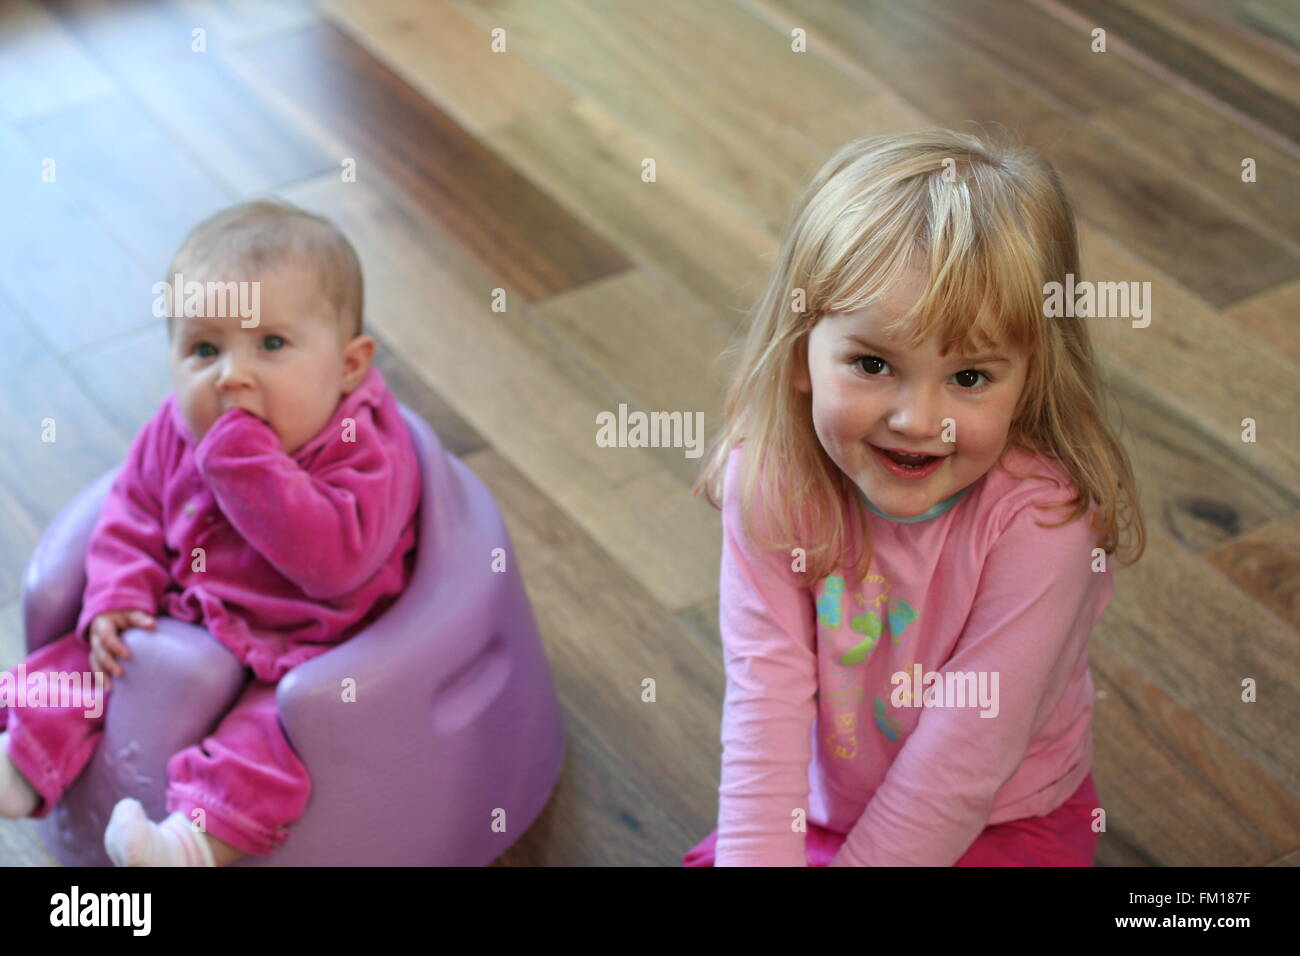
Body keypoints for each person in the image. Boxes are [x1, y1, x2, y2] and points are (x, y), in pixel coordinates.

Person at [685, 128, 1146, 866]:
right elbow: (763, 698)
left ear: (1032, 374)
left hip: (1005, 815)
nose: (916, 420)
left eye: (969, 378)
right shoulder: (771, 478)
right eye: (873, 363)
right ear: (803, 349)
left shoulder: (1044, 525)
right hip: (827, 810)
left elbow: (967, 756)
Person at [0, 200, 421, 866]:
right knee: (82, 664)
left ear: (349, 365)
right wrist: (117, 593)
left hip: (310, 644)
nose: (232, 375)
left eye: (271, 344)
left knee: (268, 747)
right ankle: (20, 765)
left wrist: (245, 467)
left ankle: (188, 846)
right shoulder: (174, 431)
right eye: (203, 349)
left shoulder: (360, 446)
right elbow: (132, 512)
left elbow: (336, 564)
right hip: (189, 612)